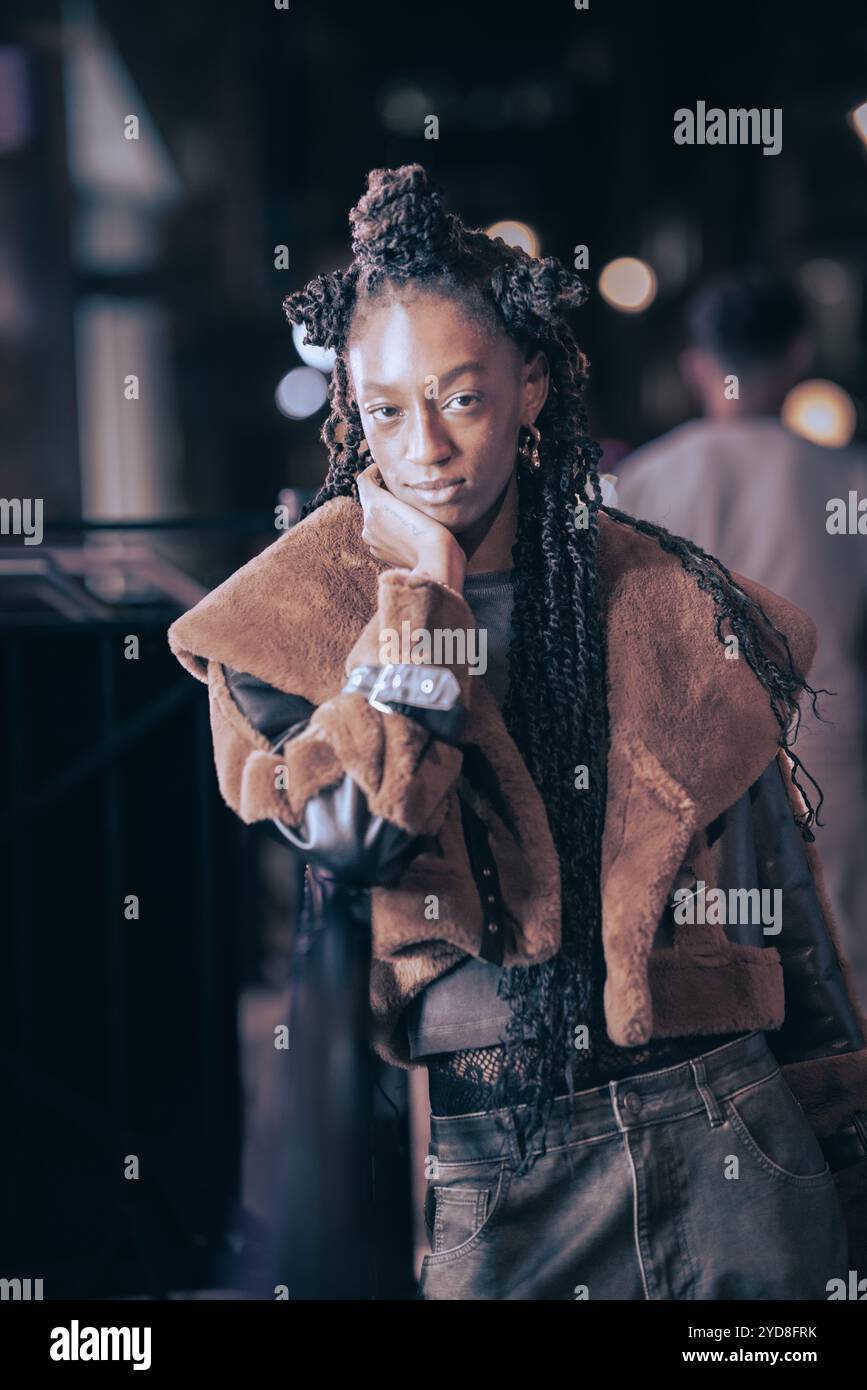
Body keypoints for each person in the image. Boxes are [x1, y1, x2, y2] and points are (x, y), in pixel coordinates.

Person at [168, 165, 867, 1301]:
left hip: (731, 1141)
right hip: (505, 1173)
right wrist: (427, 594)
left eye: (461, 396)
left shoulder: (662, 590)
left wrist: (847, 1159)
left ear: (531, 384)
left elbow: (777, 896)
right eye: (387, 408)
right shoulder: (287, 620)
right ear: (349, 404)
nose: (425, 445)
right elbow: (357, 834)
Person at [616, 270, 867, 1009]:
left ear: (696, 364)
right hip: (826, 741)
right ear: (797, 355)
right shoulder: (846, 480)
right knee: (843, 948)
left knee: (708, 957)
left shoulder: (642, 482)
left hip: (688, 750)